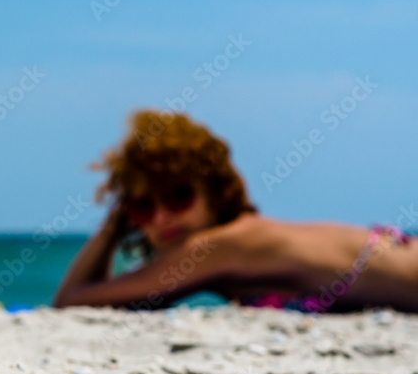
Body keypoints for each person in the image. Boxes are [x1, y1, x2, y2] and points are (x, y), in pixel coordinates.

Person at [53, 110, 418, 313]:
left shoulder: (216, 247)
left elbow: (73, 301)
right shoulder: (234, 245)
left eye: (178, 196)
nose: (162, 216)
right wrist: (119, 222)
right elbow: (100, 300)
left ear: (214, 191)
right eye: (144, 206)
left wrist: (111, 230)